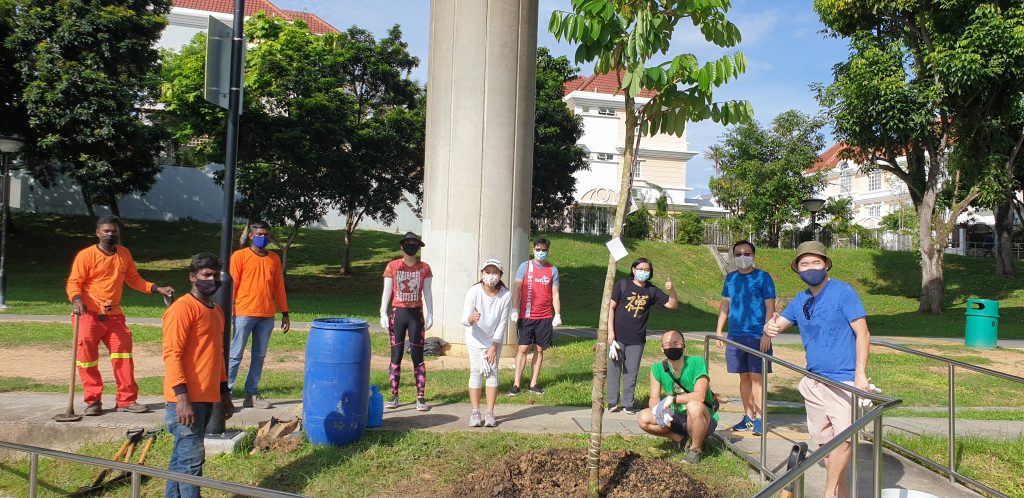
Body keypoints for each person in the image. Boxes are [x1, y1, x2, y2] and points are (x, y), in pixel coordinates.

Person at [764, 240, 871, 498]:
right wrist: (770, 326)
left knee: (843, 442)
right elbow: (778, 325)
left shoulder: (843, 292)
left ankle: (828, 493)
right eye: (804, 264)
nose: (810, 267)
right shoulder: (800, 300)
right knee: (826, 449)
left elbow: (863, 333)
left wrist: (860, 374)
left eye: (816, 262)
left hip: (843, 380)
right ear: (797, 269)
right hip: (813, 381)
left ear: (826, 265)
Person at [65, 215, 174, 415]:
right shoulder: (86, 255)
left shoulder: (124, 253)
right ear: (98, 233)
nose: (110, 234)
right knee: (87, 359)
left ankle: (126, 400)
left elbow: (134, 279)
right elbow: (74, 283)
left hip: (114, 315)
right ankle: (93, 401)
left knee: (123, 355)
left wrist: (157, 289)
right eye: (106, 231)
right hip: (88, 315)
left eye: (113, 231)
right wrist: (77, 300)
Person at [162, 253, 234, 498]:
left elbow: (218, 356)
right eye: (206, 275)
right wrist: (182, 399)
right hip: (185, 400)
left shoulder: (217, 312)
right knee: (191, 462)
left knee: (182, 459)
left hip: (206, 397)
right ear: (193, 277)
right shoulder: (182, 309)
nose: (212, 280)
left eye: (216, 276)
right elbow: (172, 355)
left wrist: (223, 393)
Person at [715, 240, 776, 436]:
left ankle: (760, 419)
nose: (743, 257)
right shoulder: (731, 278)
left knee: (757, 378)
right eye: (739, 253)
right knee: (744, 377)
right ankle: (748, 416)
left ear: (753, 255)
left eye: (747, 253)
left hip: (757, 335)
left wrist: (767, 333)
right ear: (734, 257)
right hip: (735, 335)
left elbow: (770, 306)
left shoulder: (763, 277)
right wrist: (719, 331)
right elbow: (725, 305)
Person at [227, 221, 290, 410]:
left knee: (259, 356)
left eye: (266, 234)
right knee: (235, 355)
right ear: (251, 236)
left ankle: (251, 394)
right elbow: (232, 286)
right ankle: (225, 394)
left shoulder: (274, 258)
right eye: (259, 234)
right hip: (243, 313)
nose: (263, 237)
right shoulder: (239, 256)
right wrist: (227, 312)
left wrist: (284, 312)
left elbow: (279, 287)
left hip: (267, 315)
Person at [636, 330, 720, 465]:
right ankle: (677, 437)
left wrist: (672, 399)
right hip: (675, 416)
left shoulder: (697, 362)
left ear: (684, 346)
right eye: (667, 344)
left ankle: (695, 449)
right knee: (643, 418)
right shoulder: (657, 368)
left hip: (702, 416)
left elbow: (700, 396)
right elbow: (654, 397)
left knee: (694, 405)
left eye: (676, 343)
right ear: (662, 349)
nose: (672, 347)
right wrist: (657, 409)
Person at [607, 257, 678, 414]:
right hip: (617, 337)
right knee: (614, 370)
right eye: (640, 269)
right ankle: (612, 402)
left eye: (646, 270)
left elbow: (672, 305)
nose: (643, 272)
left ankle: (628, 403)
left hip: (637, 339)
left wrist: (671, 290)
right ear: (633, 270)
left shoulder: (651, 290)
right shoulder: (623, 284)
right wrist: (610, 332)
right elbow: (610, 308)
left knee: (631, 372)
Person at [379, 232, 433, 411]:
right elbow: (387, 290)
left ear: (419, 247)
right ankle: (394, 395)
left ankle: (420, 397)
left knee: (418, 356)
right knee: (396, 355)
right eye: (408, 244)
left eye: (414, 244)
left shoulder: (424, 268)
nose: (411, 247)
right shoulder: (393, 266)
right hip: (398, 313)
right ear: (402, 246)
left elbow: (427, 292)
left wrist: (431, 313)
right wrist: (383, 312)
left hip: (416, 314)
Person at [461, 258, 512, 427]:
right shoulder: (474, 292)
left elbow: (503, 323)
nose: (491, 276)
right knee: (476, 372)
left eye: (495, 272)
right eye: (487, 272)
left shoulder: (506, 295)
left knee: (492, 373)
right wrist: (471, 318)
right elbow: (464, 319)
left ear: (500, 275)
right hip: (475, 339)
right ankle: (475, 412)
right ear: (482, 273)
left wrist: (494, 346)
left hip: (494, 340)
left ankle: (490, 412)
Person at [508, 238, 562, 396]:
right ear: (533, 250)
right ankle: (516, 384)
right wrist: (514, 308)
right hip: (526, 316)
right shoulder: (525, 266)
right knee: (523, 348)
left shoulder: (552, 270)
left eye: (544, 250)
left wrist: (557, 314)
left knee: (539, 349)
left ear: (548, 251)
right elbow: (517, 289)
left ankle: (533, 384)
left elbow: (555, 293)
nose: (540, 252)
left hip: (545, 317)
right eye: (538, 249)